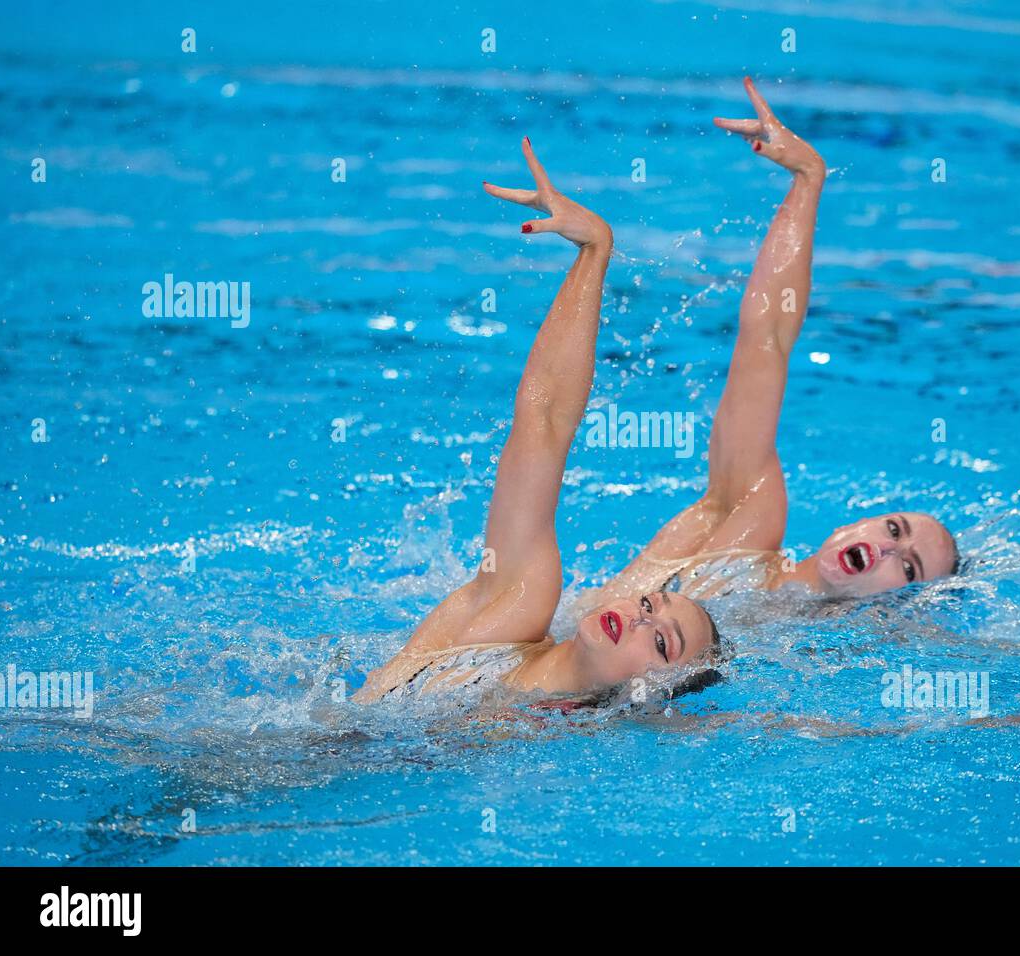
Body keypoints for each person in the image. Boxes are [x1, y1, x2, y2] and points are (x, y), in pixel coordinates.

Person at [353, 138, 719, 704]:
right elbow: (542, 418)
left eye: (663, 645)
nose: (642, 620)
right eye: (649, 604)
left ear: (656, 688)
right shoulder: (512, 606)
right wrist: (596, 251)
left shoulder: (596, 743)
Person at [587, 77, 958, 608]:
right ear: (856, 522)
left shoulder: (833, 656)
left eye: (908, 567)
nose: (885, 550)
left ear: (901, 603)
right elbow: (766, 340)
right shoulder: (744, 523)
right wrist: (809, 179)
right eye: (893, 530)